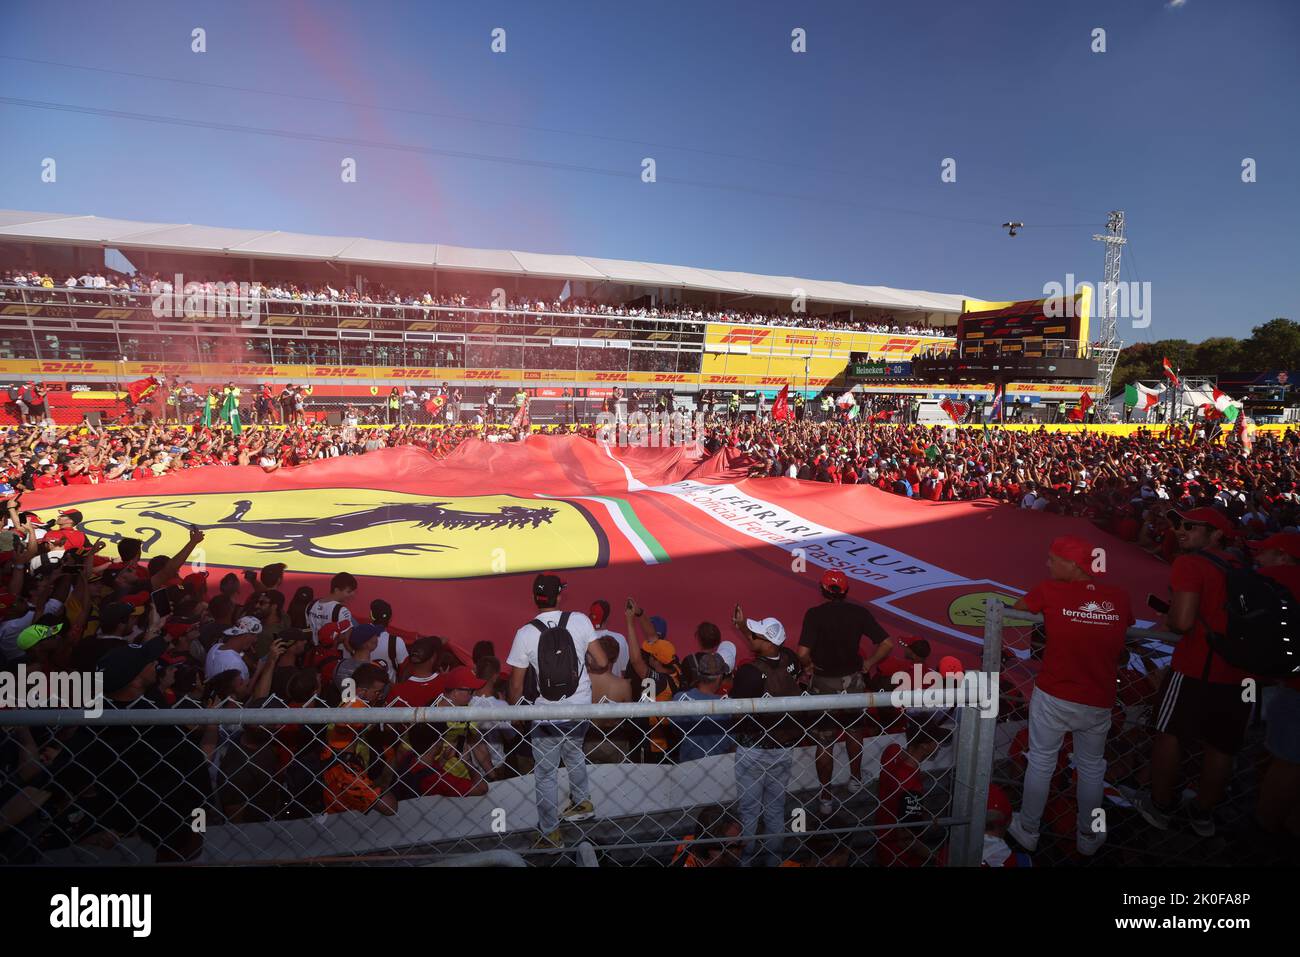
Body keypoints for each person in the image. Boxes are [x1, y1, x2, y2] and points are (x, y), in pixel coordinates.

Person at [1007, 536, 1133, 857]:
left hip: (1056, 693)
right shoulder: (1118, 596)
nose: (1047, 565)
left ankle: (1029, 829)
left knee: (1041, 761)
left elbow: (1017, 611)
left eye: (1053, 559)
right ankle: (1089, 835)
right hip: (1099, 698)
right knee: (1091, 767)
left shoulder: (1049, 591)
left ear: (1073, 565)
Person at [1134, 507, 1251, 838]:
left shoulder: (1190, 563)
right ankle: (1203, 814)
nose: (1181, 530)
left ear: (1216, 535)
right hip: (1241, 675)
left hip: (1196, 667)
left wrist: (1171, 616)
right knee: (1221, 747)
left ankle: (1160, 807)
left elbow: (1183, 623)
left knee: (1169, 733)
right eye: (1179, 525)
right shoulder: (1242, 566)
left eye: (1191, 527)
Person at [505, 573, 599, 847]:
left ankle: (549, 832)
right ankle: (582, 803)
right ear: (559, 595)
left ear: (535, 598)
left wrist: (516, 712)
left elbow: (516, 686)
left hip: (545, 717)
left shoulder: (524, 633)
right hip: (580, 710)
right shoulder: (580, 620)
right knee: (575, 753)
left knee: (545, 773)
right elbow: (602, 661)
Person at [797, 569, 894, 814]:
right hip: (852, 682)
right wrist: (869, 663)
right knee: (853, 731)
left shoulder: (814, 614)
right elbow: (887, 643)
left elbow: (801, 653)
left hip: (823, 684)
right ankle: (855, 778)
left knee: (825, 741)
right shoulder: (859, 613)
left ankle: (826, 796)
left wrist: (808, 666)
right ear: (846, 591)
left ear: (822, 590)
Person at [728, 606, 801, 866]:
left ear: (767, 643)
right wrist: (742, 626)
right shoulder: (791, 659)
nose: (752, 638)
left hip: (753, 749)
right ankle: (774, 862)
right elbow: (765, 649)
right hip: (783, 748)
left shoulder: (749, 672)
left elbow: (735, 713)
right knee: (774, 811)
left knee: (749, 812)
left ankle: (745, 862)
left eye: (756, 635)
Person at [1247, 533, 1300, 840]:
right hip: (1287, 680)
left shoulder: (1277, 577)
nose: (1257, 557)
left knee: (1287, 759)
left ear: (1282, 556)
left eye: (1263, 552)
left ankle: (1263, 830)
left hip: (1293, 685)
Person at [672, 651, 733, 761]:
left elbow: (674, 729)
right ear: (719, 678)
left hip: (687, 766)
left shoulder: (681, 699)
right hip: (719, 767)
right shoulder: (728, 705)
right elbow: (731, 743)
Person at [307, 572, 357, 645]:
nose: (352, 594)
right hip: (332, 652)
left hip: (313, 651)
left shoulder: (311, 605)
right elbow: (346, 640)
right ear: (336, 590)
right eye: (348, 592)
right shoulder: (342, 611)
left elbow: (308, 629)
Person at [588, 599, 628, 677]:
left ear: (590, 616)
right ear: (607, 617)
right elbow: (624, 671)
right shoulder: (620, 639)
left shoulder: (583, 638)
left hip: (591, 688)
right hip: (615, 687)